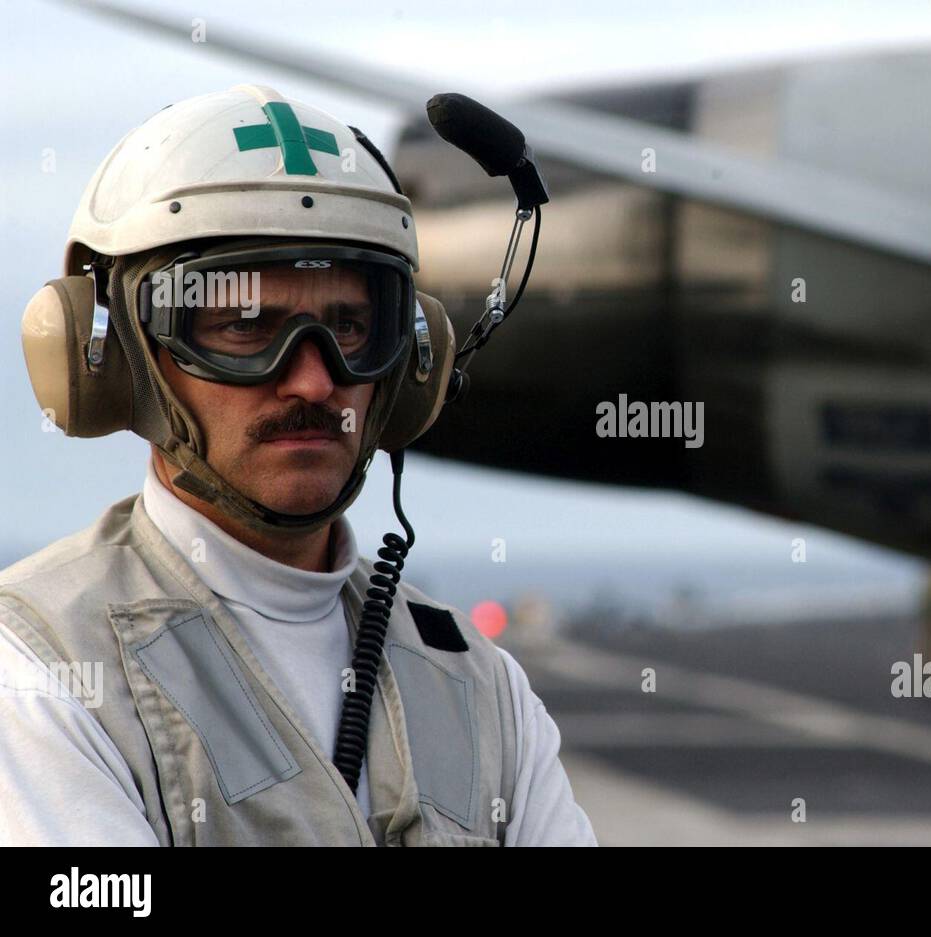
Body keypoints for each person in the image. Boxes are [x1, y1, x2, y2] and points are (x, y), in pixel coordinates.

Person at [0, 84, 596, 846]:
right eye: (245, 324)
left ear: (414, 360)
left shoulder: (483, 689)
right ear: (116, 358)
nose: (315, 381)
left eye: (350, 324)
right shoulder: (39, 666)